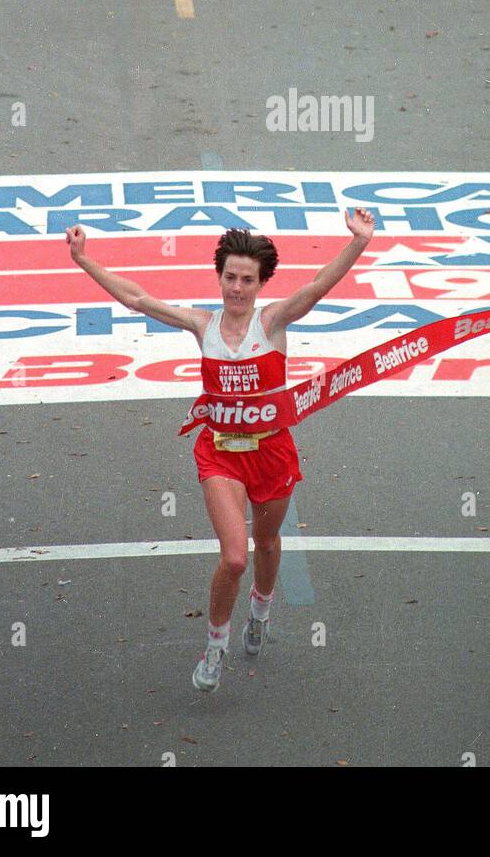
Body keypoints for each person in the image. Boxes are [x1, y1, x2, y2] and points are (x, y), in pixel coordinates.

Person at [66, 210, 376, 694]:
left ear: (259, 283)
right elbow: (135, 297)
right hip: (221, 455)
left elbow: (317, 287)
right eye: (229, 277)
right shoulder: (202, 325)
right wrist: (84, 259)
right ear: (219, 277)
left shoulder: (271, 323)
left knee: (267, 545)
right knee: (234, 557)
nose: (236, 288)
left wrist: (357, 243)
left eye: (246, 280)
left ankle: (261, 609)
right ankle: (215, 644)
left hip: (271, 455)